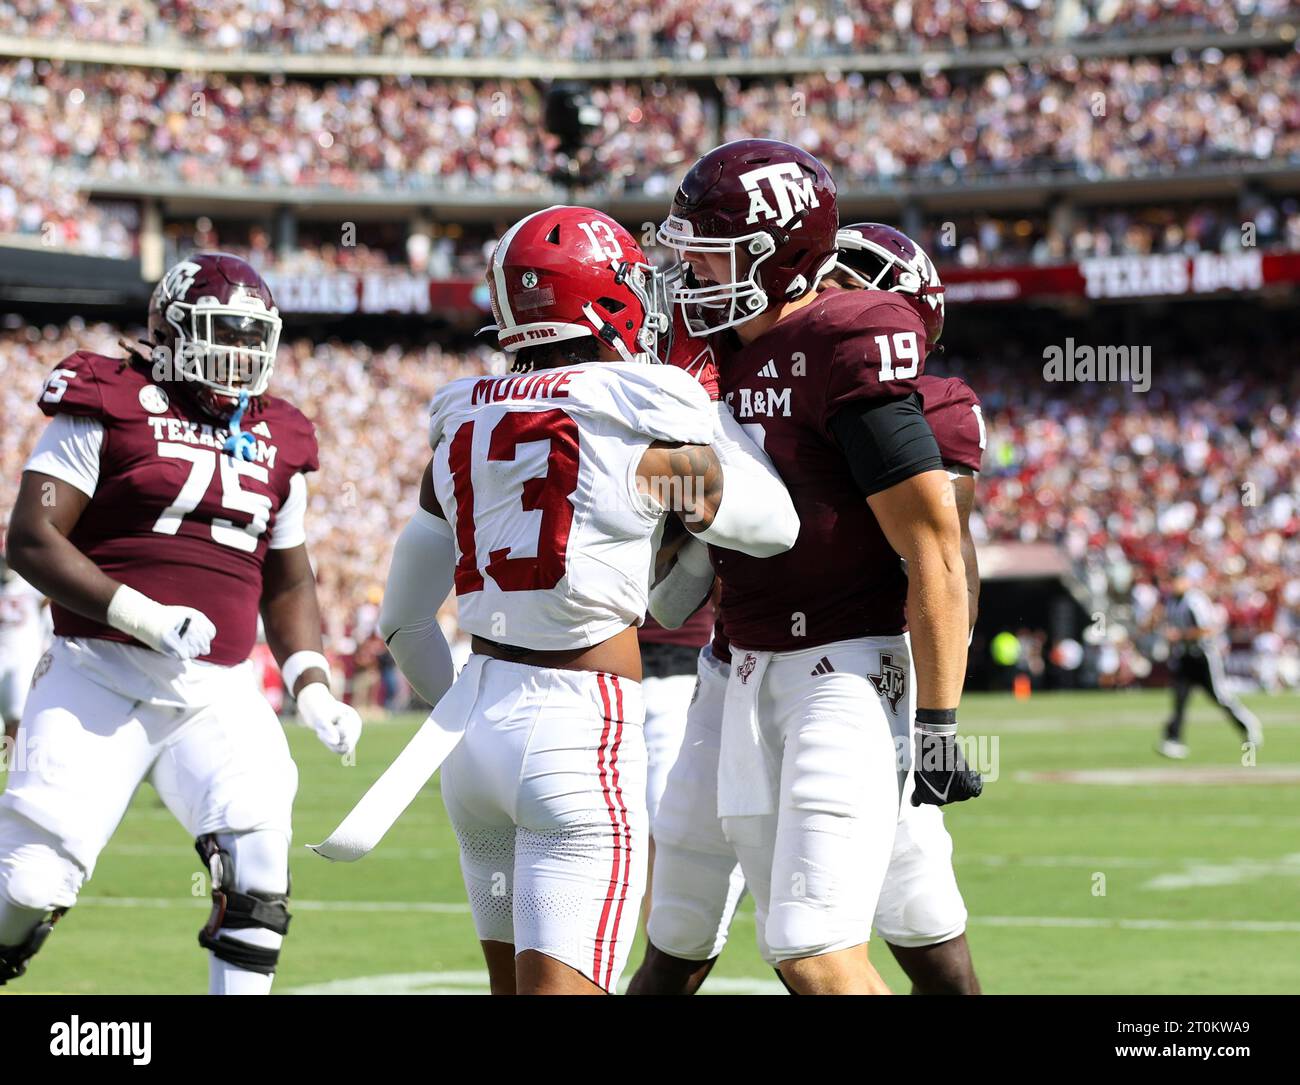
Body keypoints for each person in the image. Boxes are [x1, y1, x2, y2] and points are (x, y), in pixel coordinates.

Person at [375, 205, 799, 995]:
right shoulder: (646, 411)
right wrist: (695, 509)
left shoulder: (461, 421)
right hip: (578, 726)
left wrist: (468, 713)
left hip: (473, 736)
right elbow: (775, 526)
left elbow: (400, 622)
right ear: (610, 298)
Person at [647, 142, 973, 995]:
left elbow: (934, 546)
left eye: (712, 252)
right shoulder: (719, 344)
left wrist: (938, 722)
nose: (691, 272)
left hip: (845, 668)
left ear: (781, 255)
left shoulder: (844, 338)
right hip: (732, 666)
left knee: (813, 947)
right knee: (677, 923)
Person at [0, 253, 361, 993]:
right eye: (220, 330)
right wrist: (139, 612)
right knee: (31, 885)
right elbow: (32, 539)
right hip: (96, 671)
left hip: (215, 688)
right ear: (169, 329)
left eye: (251, 336)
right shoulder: (109, 393)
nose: (237, 352)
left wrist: (312, 683)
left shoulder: (281, 433)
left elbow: (288, 577)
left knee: (259, 859)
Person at [1158, 571, 1263, 758]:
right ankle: (1174, 740)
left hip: (1203, 656)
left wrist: (1180, 635)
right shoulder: (1172, 602)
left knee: (1220, 696)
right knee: (1179, 699)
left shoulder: (1195, 601)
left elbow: (1207, 629)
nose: (1173, 586)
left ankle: (1248, 725)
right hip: (1185, 656)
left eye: (1175, 581)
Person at [0, 525, 48, 747]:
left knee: (17, 715)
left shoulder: (31, 584)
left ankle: (10, 762)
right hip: (5, 656)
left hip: (24, 657)